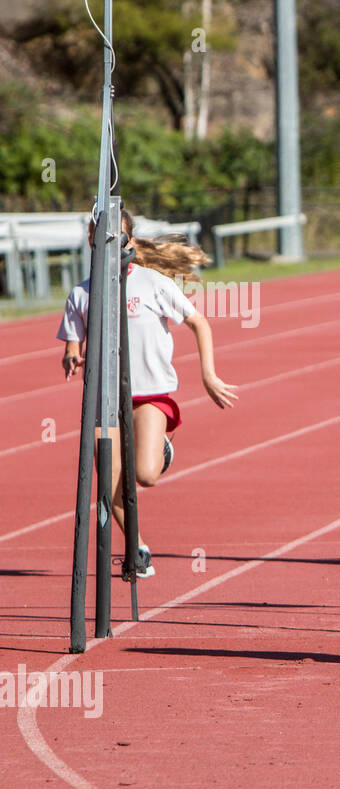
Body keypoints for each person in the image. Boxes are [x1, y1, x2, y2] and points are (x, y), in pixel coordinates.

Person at [58, 210, 239, 577]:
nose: (105, 245)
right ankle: (137, 546)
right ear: (91, 243)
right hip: (105, 400)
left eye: (114, 238)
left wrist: (208, 375)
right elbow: (73, 342)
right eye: (98, 239)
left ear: (129, 242)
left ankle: (160, 448)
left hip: (150, 394)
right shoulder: (83, 292)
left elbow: (197, 322)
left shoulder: (153, 283)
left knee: (145, 475)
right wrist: (72, 356)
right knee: (107, 485)